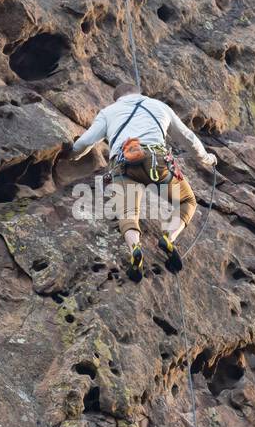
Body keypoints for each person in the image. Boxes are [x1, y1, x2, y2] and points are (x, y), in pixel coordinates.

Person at [68, 82, 217, 281]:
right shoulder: (159, 106)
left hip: (123, 164)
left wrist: (73, 156)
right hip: (157, 162)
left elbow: (85, 142)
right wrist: (207, 159)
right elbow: (188, 137)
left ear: (117, 98)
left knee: (128, 212)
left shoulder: (109, 111)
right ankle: (168, 237)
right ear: (139, 92)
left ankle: (135, 250)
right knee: (186, 201)